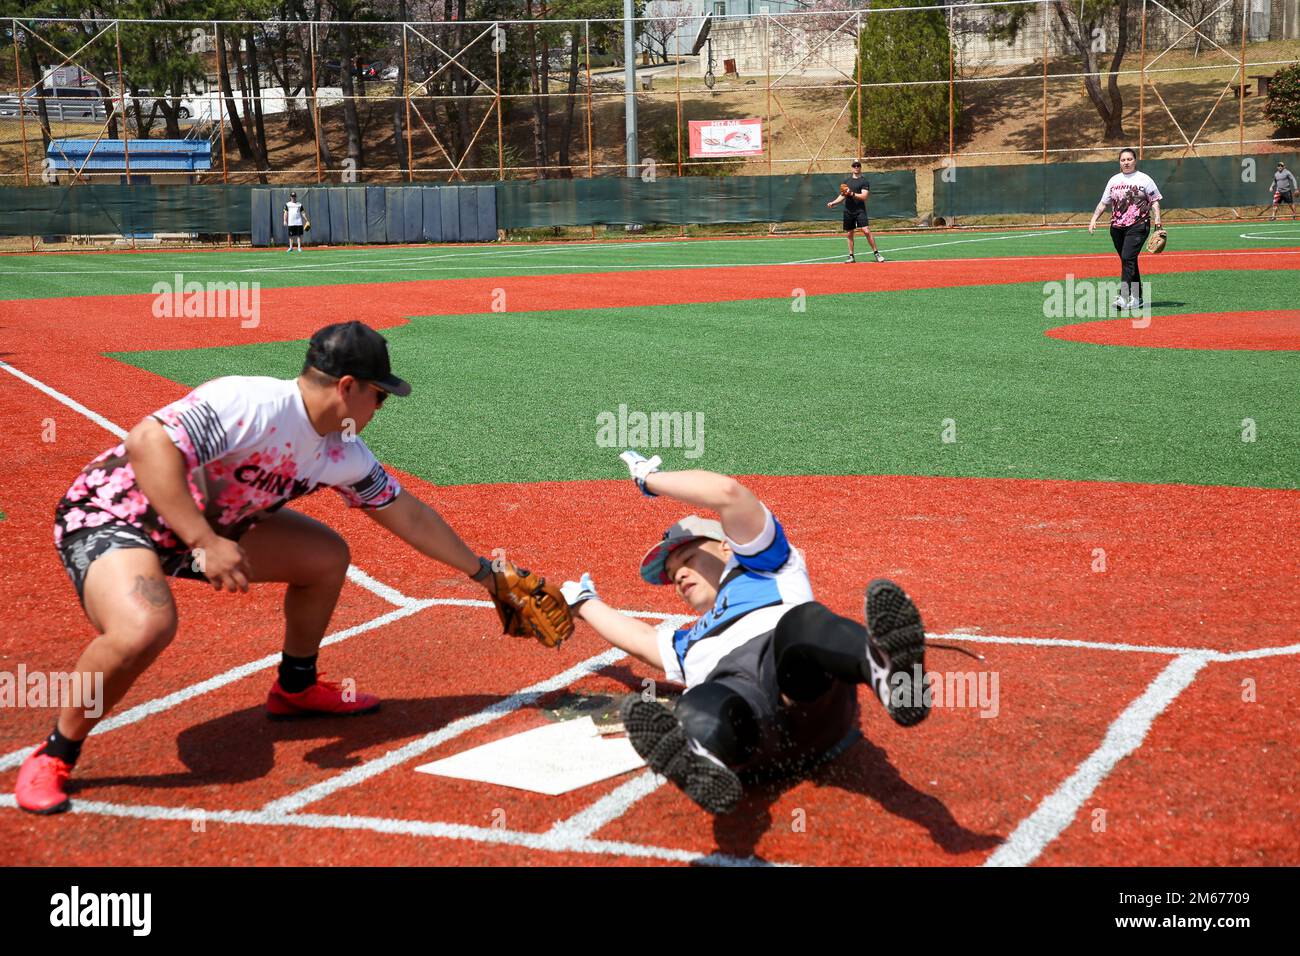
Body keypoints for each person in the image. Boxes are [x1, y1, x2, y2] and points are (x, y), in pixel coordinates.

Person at [15, 321, 526, 815]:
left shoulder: (341, 452)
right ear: (348, 387)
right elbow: (147, 445)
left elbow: (409, 514)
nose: (381, 406)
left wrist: (486, 575)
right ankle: (57, 751)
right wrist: (203, 540)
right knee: (145, 625)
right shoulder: (252, 404)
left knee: (326, 557)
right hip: (114, 516)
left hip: (212, 532)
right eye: (380, 394)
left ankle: (296, 687)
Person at [558, 451, 929, 814]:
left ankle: (888, 673)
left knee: (801, 626)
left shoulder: (766, 568)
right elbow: (639, 639)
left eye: (686, 559)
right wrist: (583, 601)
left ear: (725, 544)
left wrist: (649, 480)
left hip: (804, 690)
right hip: (755, 740)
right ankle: (704, 760)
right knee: (700, 702)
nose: (679, 576)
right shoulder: (688, 642)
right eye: (672, 576)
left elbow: (728, 494)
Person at [1088, 148, 1163, 311]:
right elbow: (1104, 203)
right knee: (1128, 260)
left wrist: (1158, 224)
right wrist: (1094, 219)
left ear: (1135, 161)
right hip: (1117, 227)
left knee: (1128, 257)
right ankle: (1137, 298)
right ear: (1119, 162)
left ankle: (1123, 296)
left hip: (1138, 225)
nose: (1126, 162)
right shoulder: (1114, 180)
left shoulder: (1144, 179)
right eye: (1123, 160)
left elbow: (1155, 201)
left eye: (1129, 159)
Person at [826, 159, 885, 263]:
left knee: (866, 230)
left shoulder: (864, 181)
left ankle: (877, 254)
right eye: (854, 165)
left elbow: (864, 196)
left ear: (860, 167)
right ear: (852, 168)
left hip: (860, 210)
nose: (856, 167)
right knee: (849, 233)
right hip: (848, 210)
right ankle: (851, 256)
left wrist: (852, 193)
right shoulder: (846, 182)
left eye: (858, 165)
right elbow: (842, 195)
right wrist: (834, 202)